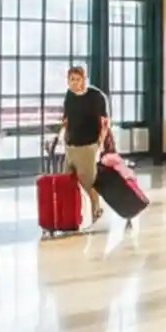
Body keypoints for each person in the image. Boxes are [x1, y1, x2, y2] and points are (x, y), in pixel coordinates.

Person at [61, 65, 110, 224]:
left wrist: (99, 144)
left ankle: (96, 207)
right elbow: (66, 119)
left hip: (88, 145)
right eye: (71, 80)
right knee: (67, 180)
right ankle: (72, 213)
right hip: (71, 145)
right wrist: (63, 137)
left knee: (87, 181)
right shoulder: (69, 96)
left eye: (77, 79)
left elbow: (105, 122)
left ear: (84, 80)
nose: (74, 83)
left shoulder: (96, 97)